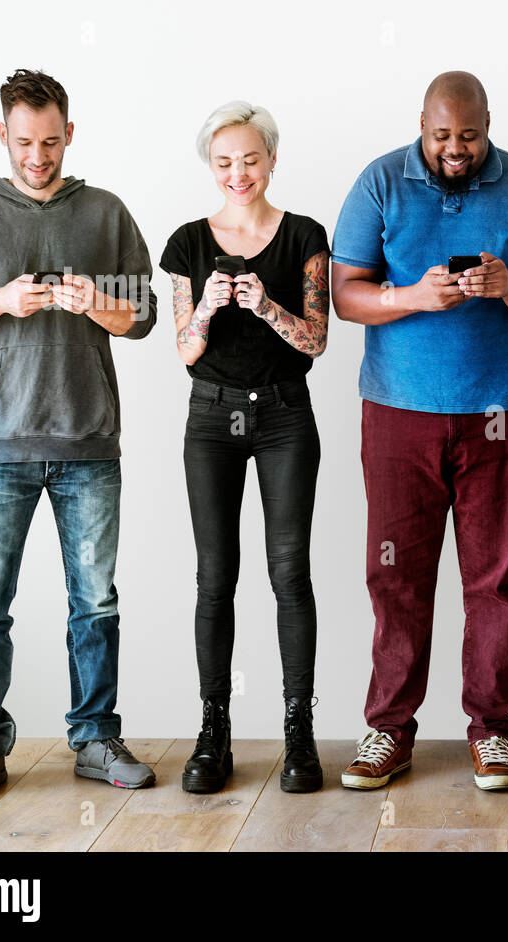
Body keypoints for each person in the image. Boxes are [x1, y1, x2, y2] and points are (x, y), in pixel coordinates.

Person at [0, 69, 158, 802]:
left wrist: (97, 302)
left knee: (96, 604)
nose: (38, 156)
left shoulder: (106, 212)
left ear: (70, 134)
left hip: (89, 445)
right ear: (3, 136)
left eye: (51, 142)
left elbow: (143, 314)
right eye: (24, 142)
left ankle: (94, 738)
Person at [331, 71, 508, 791]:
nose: (456, 149)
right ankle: (388, 729)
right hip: (399, 415)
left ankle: (491, 732)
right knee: (395, 575)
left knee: (494, 579)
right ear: (423, 126)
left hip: (503, 416)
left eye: (468, 135)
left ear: (488, 124)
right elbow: (345, 296)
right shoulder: (379, 181)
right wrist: (411, 296)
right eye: (442, 136)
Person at [159, 101, 330, 794]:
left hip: (286, 414)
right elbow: (184, 349)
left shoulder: (305, 236)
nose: (238, 173)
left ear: (272, 160)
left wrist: (264, 305)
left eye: (250, 159)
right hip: (213, 418)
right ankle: (213, 733)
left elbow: (316, 341)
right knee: (213, 576)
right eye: (225, 161)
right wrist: (206, 304)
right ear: (211, 165)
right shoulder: (186, 243)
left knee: (289, 572)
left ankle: (299, 734)